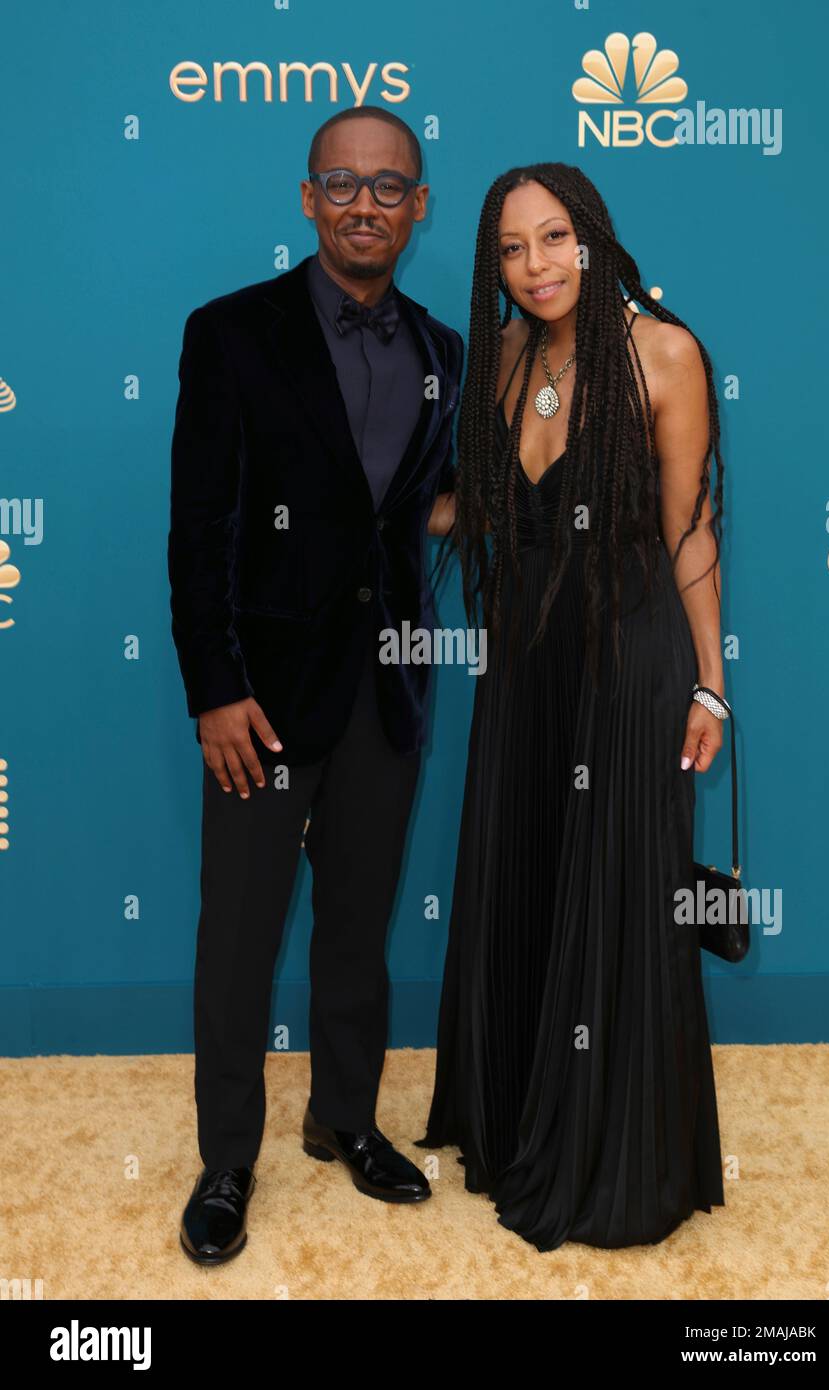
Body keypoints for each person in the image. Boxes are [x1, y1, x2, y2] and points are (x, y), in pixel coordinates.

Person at [168, 106, 463, 1264]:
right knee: (238, 938)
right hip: (263, 698)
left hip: (388, 688)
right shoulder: (230, 332)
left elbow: (412, 515)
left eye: (389, 186)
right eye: (341, 182)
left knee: (357, 927)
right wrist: (213, 688)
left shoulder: (443, 351)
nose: (364, 203)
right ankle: (225, 1157)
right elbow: (200, 528)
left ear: (418, 206)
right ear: (306, 198)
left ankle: (344, 1118)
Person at [418, 162, 727, 1252]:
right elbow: (473, 510)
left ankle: (614, 1155)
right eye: (509, 248)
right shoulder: (500, 354)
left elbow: (689, 530)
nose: (534, 266)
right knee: (528, 867)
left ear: (591, 238)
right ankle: (514, 1121)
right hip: (525, 662)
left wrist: (708, 682)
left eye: (552, 239)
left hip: (628, 655)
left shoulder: (665, 354)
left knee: (618, 893)